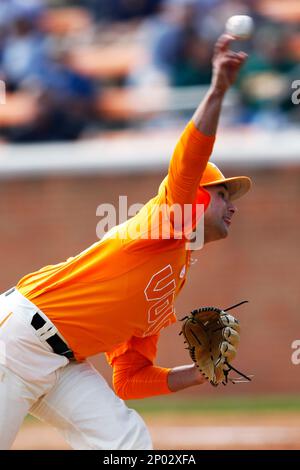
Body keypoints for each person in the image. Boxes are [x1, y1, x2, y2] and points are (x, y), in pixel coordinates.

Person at [0, 34, 251, 450]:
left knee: (127, 444)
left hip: (64, 364)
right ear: (199, 197)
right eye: (223, 193)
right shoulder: (164, 222)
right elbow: (189, 158)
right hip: (17, 342)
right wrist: (218, 90)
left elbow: (130, 378)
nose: (232, 205)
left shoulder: (172, 279)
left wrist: (198, 371)